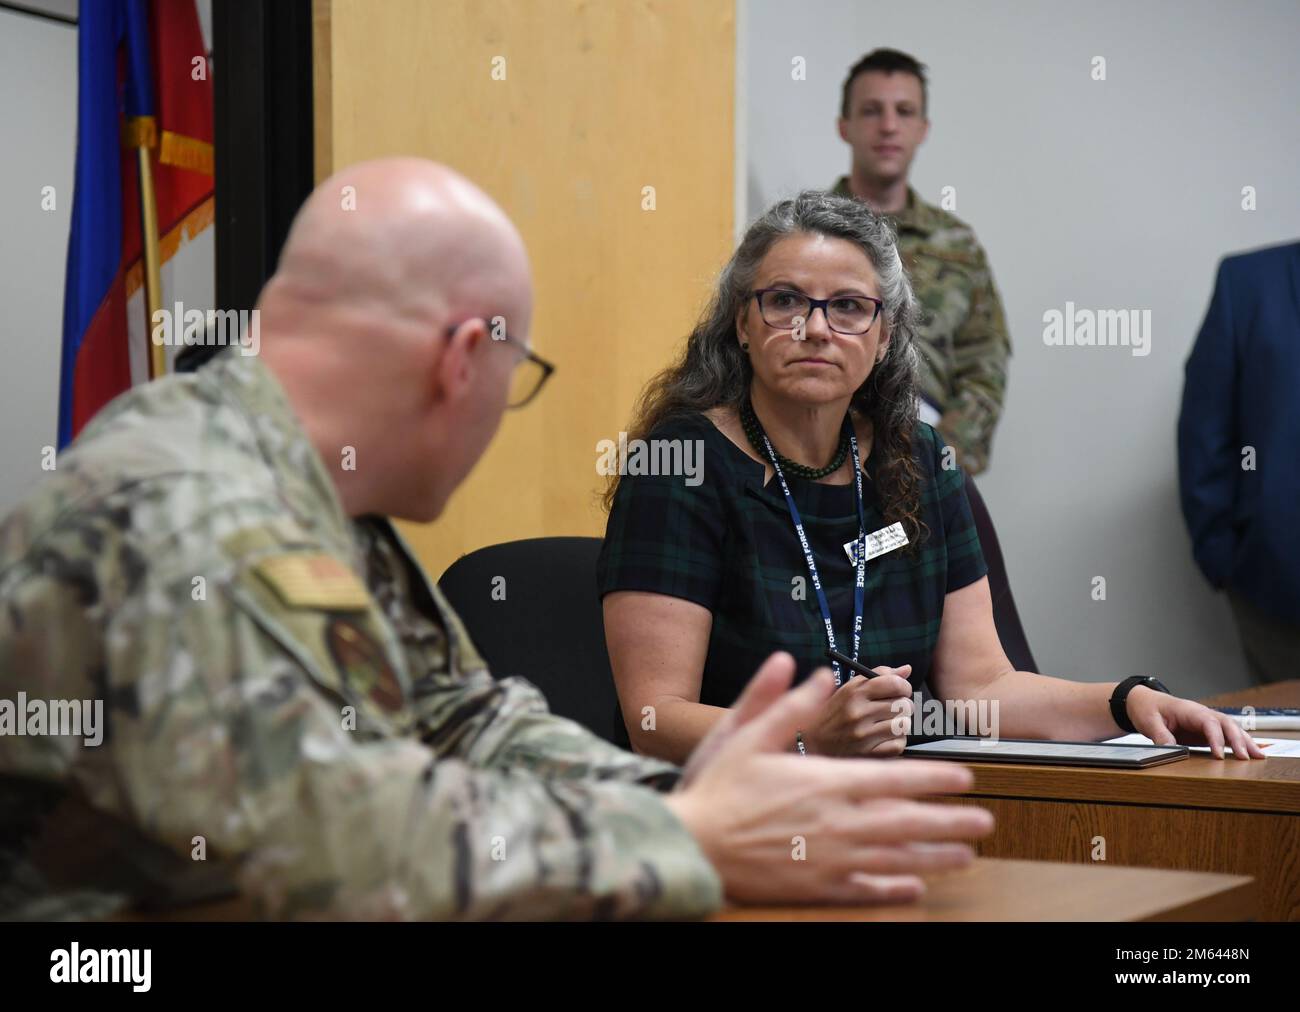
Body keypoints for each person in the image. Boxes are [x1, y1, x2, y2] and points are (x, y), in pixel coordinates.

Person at [0, 158, 995, 921]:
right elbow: (338, 843)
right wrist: (681, 829)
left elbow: (464, 721)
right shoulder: (195, 516)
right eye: (516, 372)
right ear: (463, 359)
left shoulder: (304, 498)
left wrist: (730, 797)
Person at [598, 189, 1265, 766]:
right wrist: (809, 736)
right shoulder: (682, 466)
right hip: (738, 819)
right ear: (742, 323)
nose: (816, 328)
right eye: (784, 301)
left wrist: (1127, 701)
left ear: (884, 335)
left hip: (892, 806)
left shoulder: (919, 460)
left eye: (850, 307)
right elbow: (655, 719)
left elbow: (982, 690)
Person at [831, 48, 1010, 476]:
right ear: (844, 127)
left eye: (904, 111)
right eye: (872, 110)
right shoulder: (805, 235)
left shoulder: (958, 245)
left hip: (929, 465)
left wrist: (941, 456)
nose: (889, 125)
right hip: (820, 457)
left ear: (923, 128)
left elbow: (984, 363)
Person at [1178, 241, 1300, 684]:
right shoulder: (1248, 282)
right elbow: (1204, 431)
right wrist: (1225, 559)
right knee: (1285, 751)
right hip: (1279, 591)